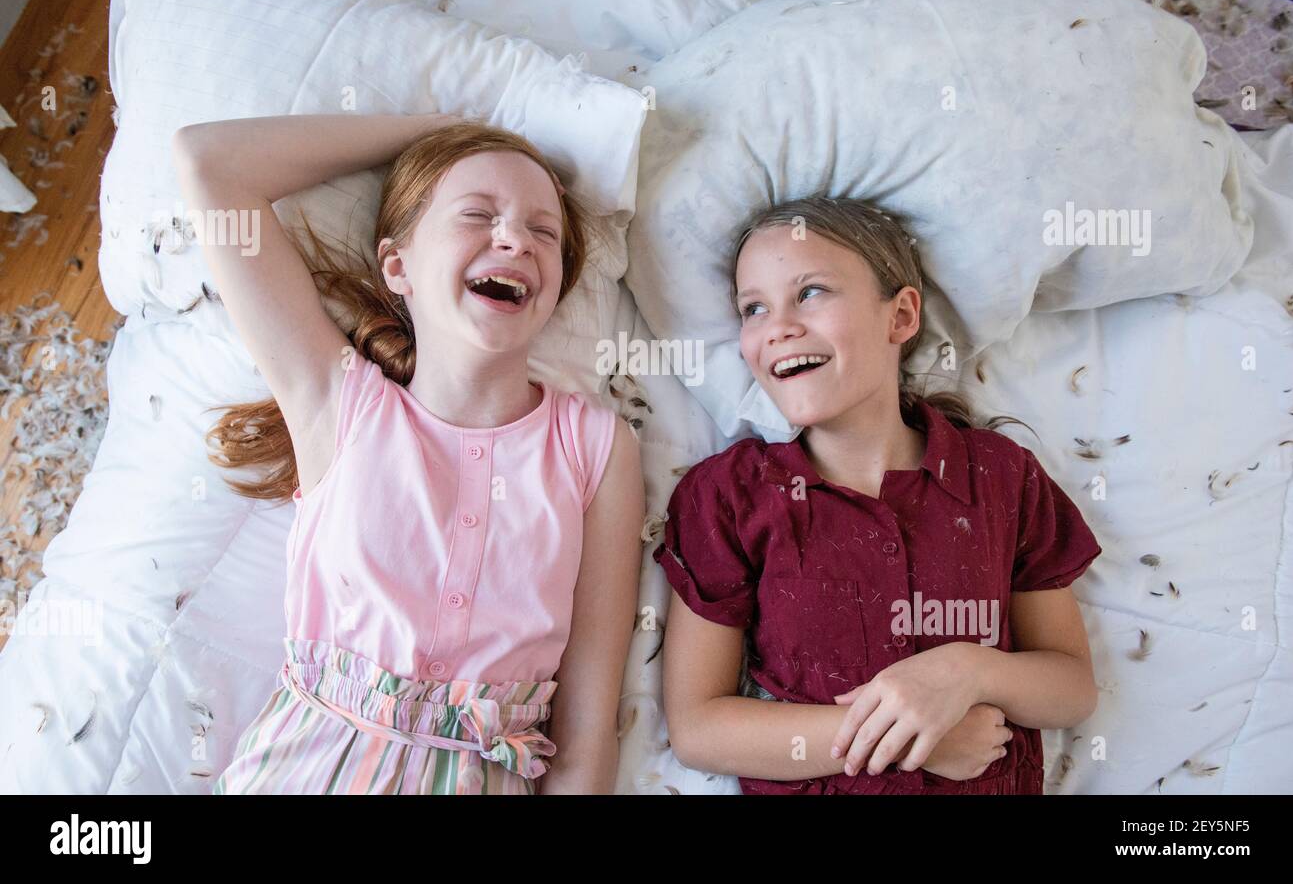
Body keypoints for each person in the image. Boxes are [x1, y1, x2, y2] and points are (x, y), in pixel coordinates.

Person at [171, 113, 643, 794]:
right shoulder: (339, 401)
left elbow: (586, 731)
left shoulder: (595, 447)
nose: (513, 237)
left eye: (543, 231)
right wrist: (458, 123)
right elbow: (208, 162)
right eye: (477, 214)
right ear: (398, 265)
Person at [653, 196, 1103, 794]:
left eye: (810, 292)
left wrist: (965, 670)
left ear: (901, 316)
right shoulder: (729, 498)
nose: (779, 326)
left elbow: (1071, 691)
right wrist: (912, 741)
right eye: (753, 308)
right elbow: (699, 729)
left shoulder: (1001, 478)